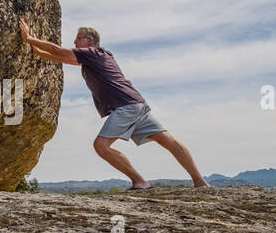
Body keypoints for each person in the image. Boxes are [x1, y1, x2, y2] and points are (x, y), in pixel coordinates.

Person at [19, 19, 210, 190]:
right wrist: (37, 48)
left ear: (90, 41)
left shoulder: (93, 53)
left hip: (125, 106)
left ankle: (139, 181)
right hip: (136, 103)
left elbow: (59, 51)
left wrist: (28, 38)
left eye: (78, 39)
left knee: (101, 146)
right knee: (168, 141)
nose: (75, 43)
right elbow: (59, 57)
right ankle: (199, 181)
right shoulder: (95, 58)